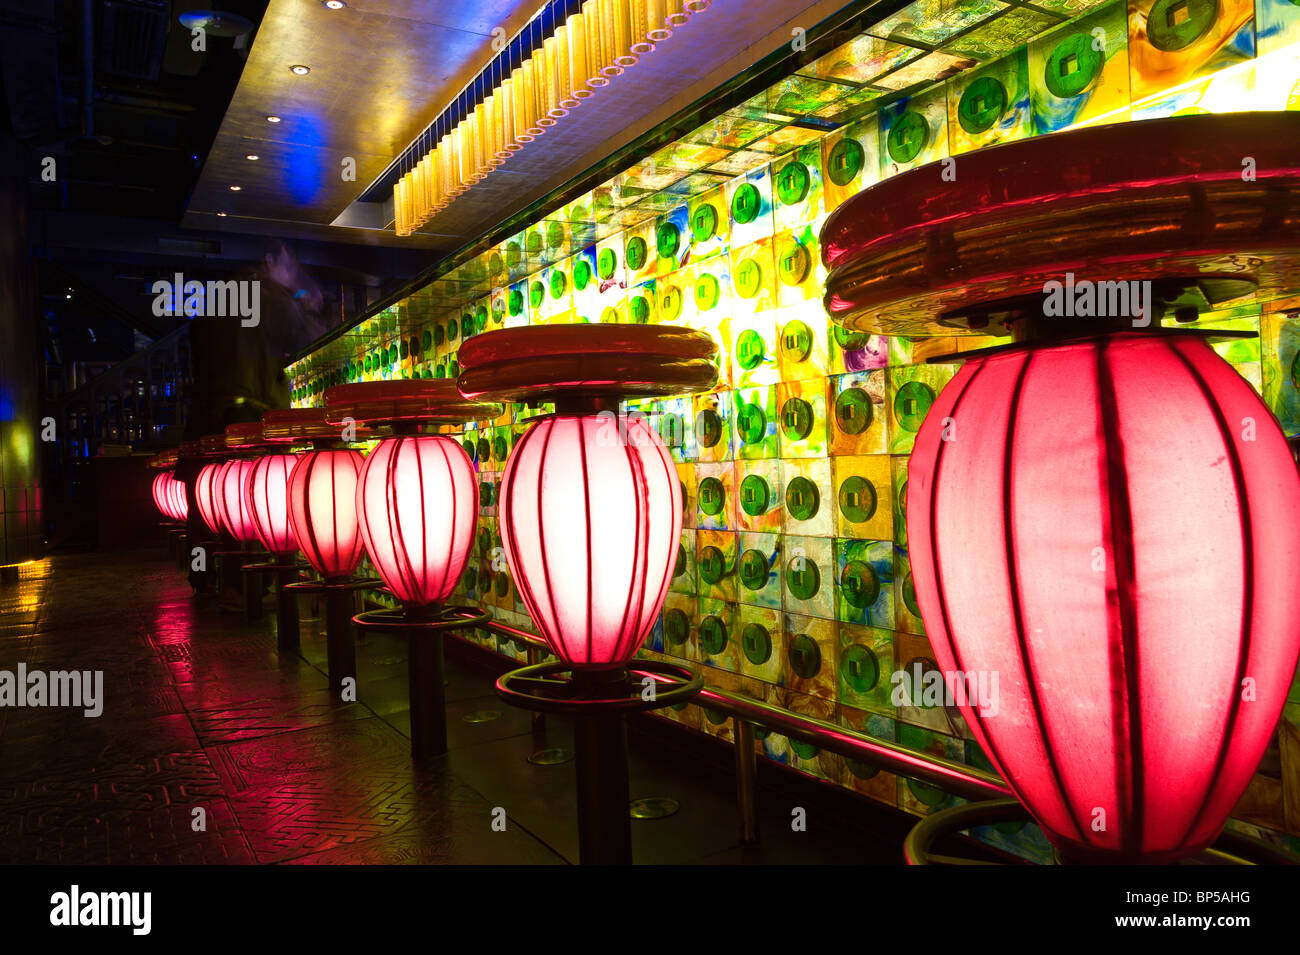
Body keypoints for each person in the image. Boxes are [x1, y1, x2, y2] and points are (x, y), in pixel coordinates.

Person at [175, 242, 334, 601]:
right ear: (271, 258)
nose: (292, 275)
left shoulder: (217, 298)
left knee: (206, 507)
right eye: (290, 265)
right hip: (244, 419)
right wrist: (310, 308)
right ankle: (243, 585)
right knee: (245, 506)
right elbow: (311, 340)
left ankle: (204, 582)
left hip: (203, 421)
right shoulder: (268, 297)